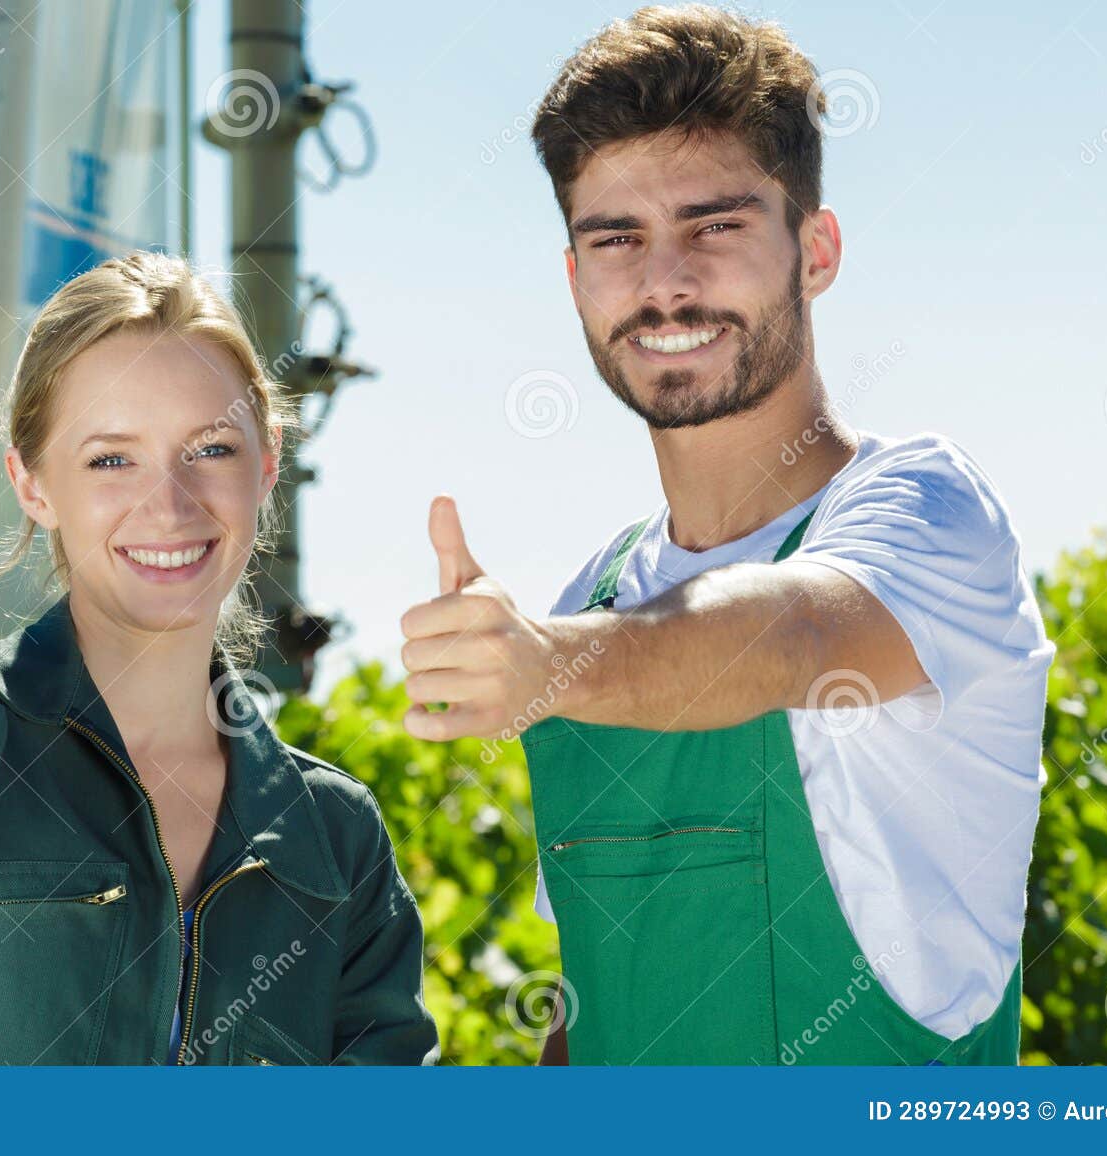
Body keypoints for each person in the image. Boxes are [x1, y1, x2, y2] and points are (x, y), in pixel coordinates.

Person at [399, 4, 1053, 1065]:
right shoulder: (595, 598)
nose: (665, 282)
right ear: (574, 277)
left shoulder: (927, 514)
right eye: (617, 239)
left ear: (816, 248)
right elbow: (592, 1008)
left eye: (715, 226)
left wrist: (553, 663)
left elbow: (788, 636)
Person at [0, 251, 439, 1066]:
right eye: (111, 459)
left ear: (269, 465)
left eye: (212, 449)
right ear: (33, 483)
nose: (170, 505)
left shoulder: (333, 838)